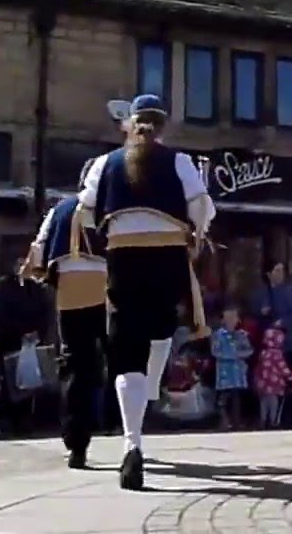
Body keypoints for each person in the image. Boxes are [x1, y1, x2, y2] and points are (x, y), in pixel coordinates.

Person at [79, 94, 215, 490]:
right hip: (166, 258)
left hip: (123, 259)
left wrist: (109, 231)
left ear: (130, 124)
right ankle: (150, 387)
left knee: (126, 353)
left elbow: (85, 210)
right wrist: (197, 235)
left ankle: (131, 444)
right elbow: (202, 205)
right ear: (162, 125)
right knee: (160, 330)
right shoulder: (179, 161)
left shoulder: (106, 163)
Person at [22, 158, 108, 469]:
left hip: (71, 294)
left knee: (76, 369)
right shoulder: (111, 208)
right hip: (110, 292)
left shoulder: (60, 209)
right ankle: (128, 434)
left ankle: (77, 444)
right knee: (122, 363)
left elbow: (39, 250)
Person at [210, 305, 253, 430]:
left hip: (237, 372)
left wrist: (240, 355)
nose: (231, 321)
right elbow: (215, 351)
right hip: (224, 372)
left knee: (236, 398)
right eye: (228, 318)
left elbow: (249, 350)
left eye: (233, 318)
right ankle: (223, 421)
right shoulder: (218, 335)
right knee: (223, 398)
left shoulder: (241, 335)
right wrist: (230, 356)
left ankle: (236, 422)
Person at [253, 324, 292, 428]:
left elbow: (258, 367)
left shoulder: (263, 353)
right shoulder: (277, 354)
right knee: (273, 401)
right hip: (274, 382)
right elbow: (282, 366)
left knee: (264, 401)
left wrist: (256, 379)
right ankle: (272, 420)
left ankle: (262, 420)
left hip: (263, 382)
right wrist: (289, 376)